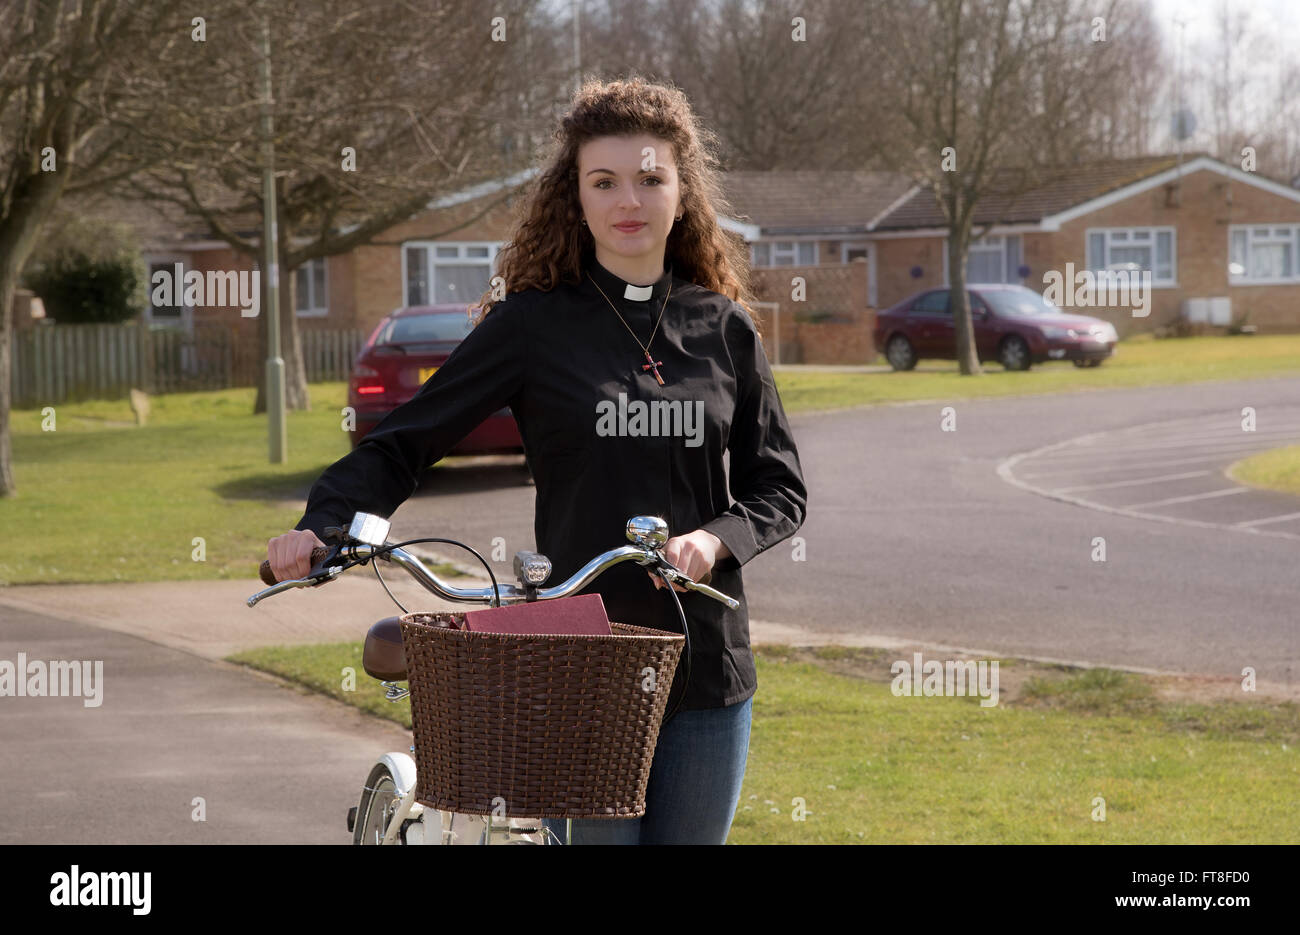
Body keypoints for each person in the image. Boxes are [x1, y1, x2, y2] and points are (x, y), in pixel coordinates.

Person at [265, 75, 807, 845]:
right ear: (575, 197)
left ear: (682, 192)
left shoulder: (724, 329)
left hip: (707, 671)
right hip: (578, 670)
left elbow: (777, 486)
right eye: (605, 181)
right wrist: (324, 527)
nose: (630, 200)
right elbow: (403, 442)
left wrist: (714, 540)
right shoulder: (532, 326)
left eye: (651, 178)